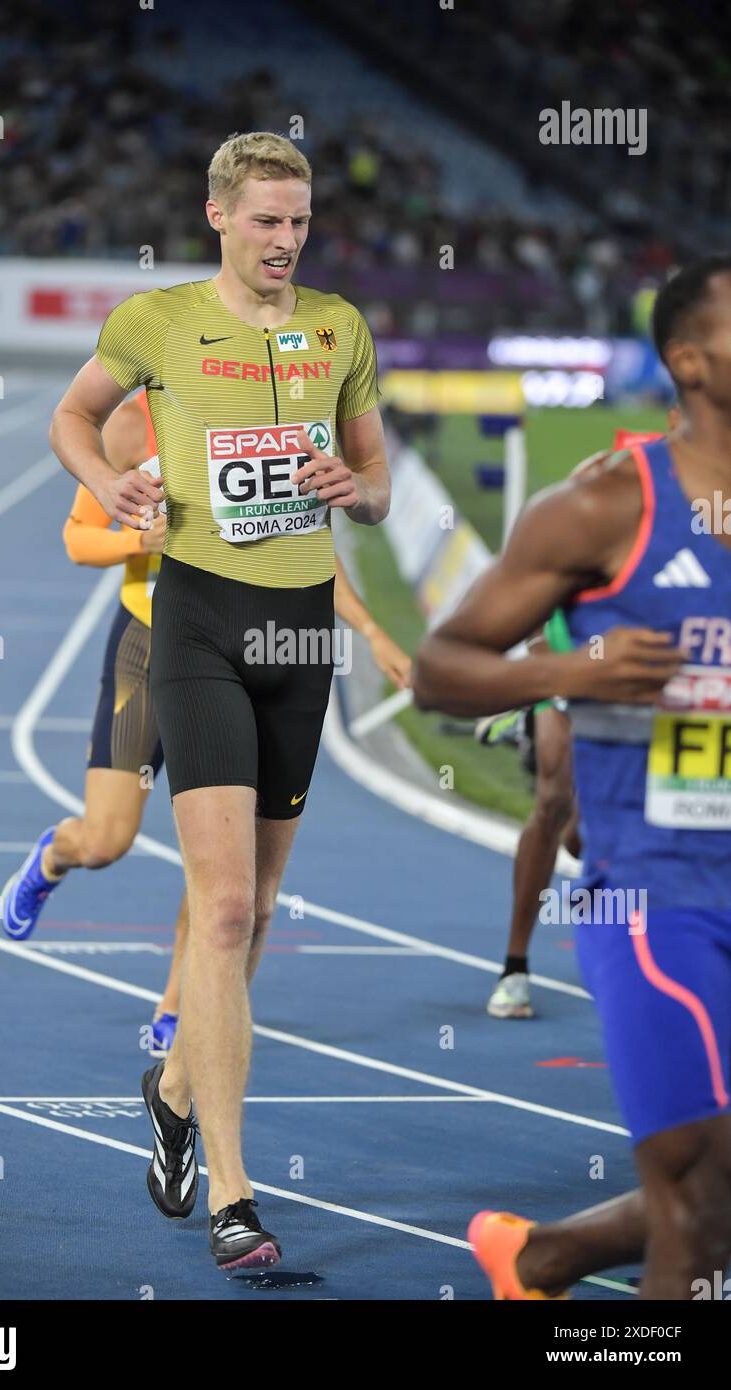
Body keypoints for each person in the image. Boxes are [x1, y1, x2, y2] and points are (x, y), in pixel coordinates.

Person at [47, 131, 390, 1269]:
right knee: (226, 906)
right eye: (265, 221)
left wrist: (359, 488)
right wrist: (111, 481)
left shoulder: (340, 326)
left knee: (262, 907)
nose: (285, 241)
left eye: (298, 222)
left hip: (300, 637)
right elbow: (70, 418)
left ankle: (175, 1084)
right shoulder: (155, 322)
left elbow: (377, 488)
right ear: (217, 218)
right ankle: (234, 1196)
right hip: (194, 622)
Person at [413, 256, 731, 1299]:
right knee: (694, 1190)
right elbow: (438, 667)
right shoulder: (605, 503)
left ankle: (540, 1256)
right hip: (660, 890)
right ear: (688, 359)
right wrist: (576, 668)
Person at [1, 385, 408, 1053]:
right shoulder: (134, 426)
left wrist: (371, 632)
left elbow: (308, 549)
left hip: (232, 656)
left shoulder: (271, 429)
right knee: (106, 840)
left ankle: (177, 1005)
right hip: (148, 644)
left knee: (220, 858)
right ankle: (56, 855)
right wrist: (139, 537)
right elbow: (78, 538)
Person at [484, 429, 671, 1020]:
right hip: (566, 669)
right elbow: (535, 612)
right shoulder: (592, 501)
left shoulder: (691, 518)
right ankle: (515, 966)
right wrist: (551, 674)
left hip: (630, 691)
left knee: (584, 837)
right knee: (553, 799)